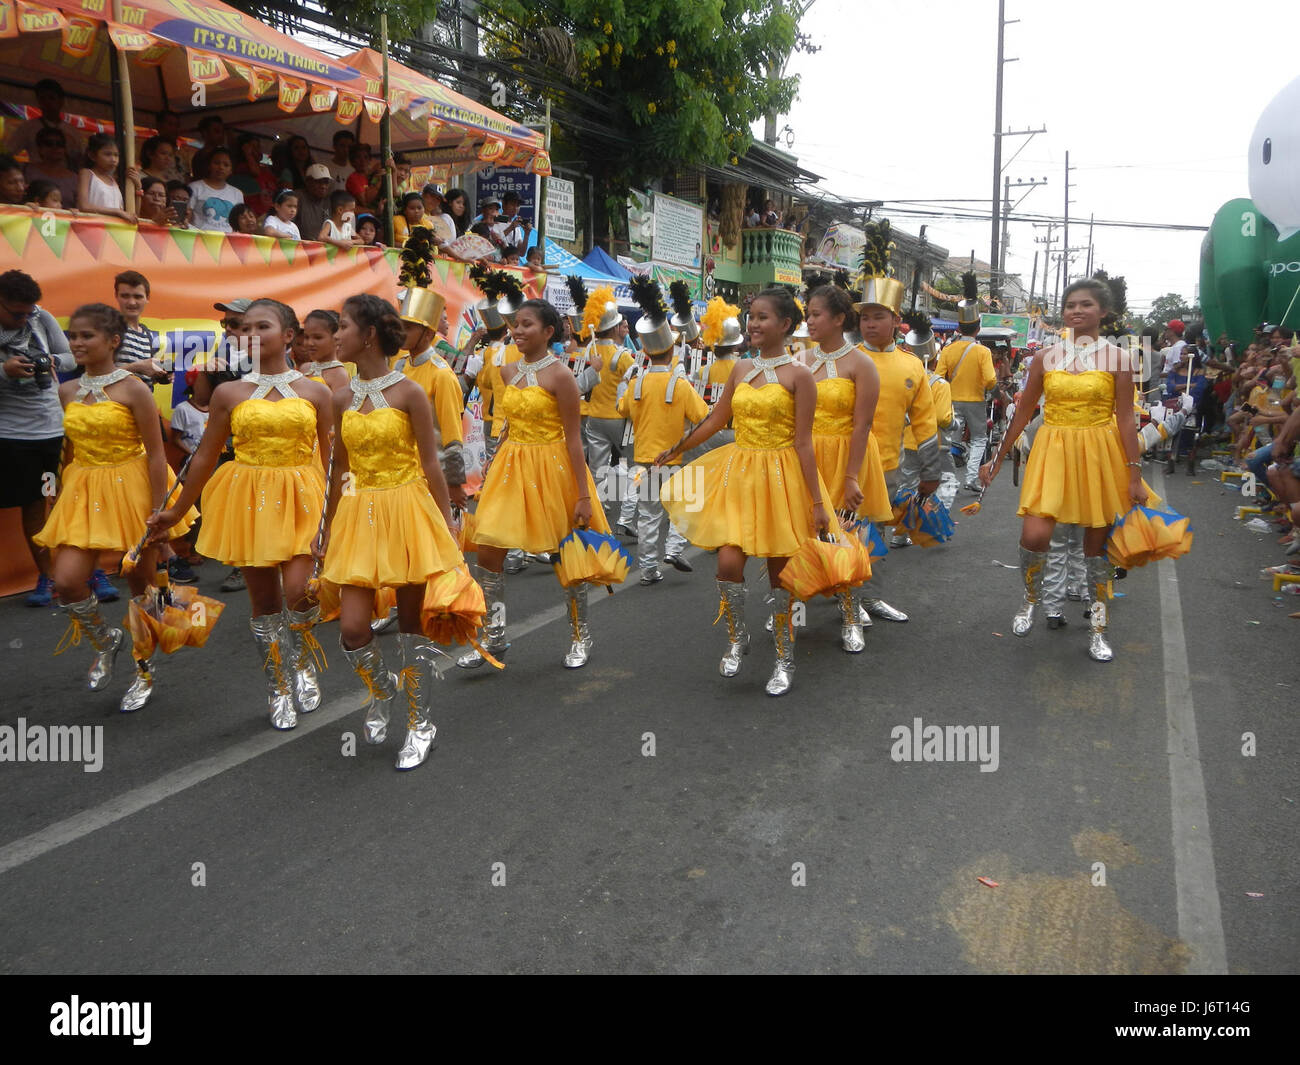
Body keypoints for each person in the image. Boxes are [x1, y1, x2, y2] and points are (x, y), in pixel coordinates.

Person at [148, 300, 333, 728]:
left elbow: (330, 459)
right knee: (264, 601)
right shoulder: (229, 392)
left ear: (289, 335)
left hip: (304, 497)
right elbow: (204, 458)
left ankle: (302, 662)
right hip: (250, 500)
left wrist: (336, 513)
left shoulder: (316, 391)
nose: (250, 333)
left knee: (300, 590)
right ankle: (277, 685)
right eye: (243, 327)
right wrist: (174, 511)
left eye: (262, 325)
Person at [657, 287, 834, 697]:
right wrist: (679, 448)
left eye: (763, 317)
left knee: (780, 575)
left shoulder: (800, 375)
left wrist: (818, 503)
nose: (753, 324)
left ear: (786, 325)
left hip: (781, 478)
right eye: (751, 316)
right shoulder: (739, 369)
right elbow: (719, 418)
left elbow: (805, 442)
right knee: (728, 565)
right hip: (739, 473)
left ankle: (784, 658)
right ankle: (738, 638)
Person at [318, 294, 463, 771]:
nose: (335, 336)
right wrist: (327, 526)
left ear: (369, 334)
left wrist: (445, 527)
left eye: (341, 326)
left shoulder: (410, 392)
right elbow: (340, 466)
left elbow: (431, 463)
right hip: (360, 513)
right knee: (354, 627)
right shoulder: (340, 396)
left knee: (410, 624)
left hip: (408, 509)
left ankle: (421, 722)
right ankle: (382, 688)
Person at [979, 278, 1152, 663]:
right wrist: (995, 457)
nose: (1076, 310)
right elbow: (1024, 412)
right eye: (1071, 304)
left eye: (1086, 304)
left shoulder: (1120, 359)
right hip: (1053, 450)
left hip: (1099, 455)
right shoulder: (1045, 357)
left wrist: (1134, 473)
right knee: (1035, 534)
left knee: (1097, 550)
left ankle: (1099, 627)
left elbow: (1126, 419)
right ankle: (1029, 598)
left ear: (1103, 312)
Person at [34, 304, 195, 712]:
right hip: (84, 488)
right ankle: (106, 641)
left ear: (113, 341)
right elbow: (67, 451)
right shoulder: (66, 390)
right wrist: (56, 492)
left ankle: (144, 670)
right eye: (73, 336)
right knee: (68, 581)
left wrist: (158, 510)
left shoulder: (133, 387)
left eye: (86, 336)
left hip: (133, 487)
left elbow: (157, 455)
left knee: (143, 586)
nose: (77, 343)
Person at [456, 299, 611, 671]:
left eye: (527, 325)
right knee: (490, 551)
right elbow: (509, 424)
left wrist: (583, 495)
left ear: (548, 332)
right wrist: (494, 462)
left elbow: (575, 440)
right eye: (516, 325)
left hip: (553, 468)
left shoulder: (561, 376)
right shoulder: (509, 371)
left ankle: (580, 634)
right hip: (512, 467)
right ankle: (494, 636)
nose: (518, 331)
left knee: (565, 555)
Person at [854, 242, 940, 618]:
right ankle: (846, 601)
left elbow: (925, 422)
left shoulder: (912, 367)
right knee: (845, 532)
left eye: (878, 316)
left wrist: (931, 471)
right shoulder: (843, 359)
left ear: (895, 320)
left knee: (877, 532)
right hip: (842, 463)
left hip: (888, 465)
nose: (870, 323)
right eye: (865, 317)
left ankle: (870, 597)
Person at [804, 283, 891, 652]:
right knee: (800, 535)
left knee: (847, 537)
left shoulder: (860, 363)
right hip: (806, 455)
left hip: (846, 457)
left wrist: (852, 475)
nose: (809, 321)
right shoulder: (801, 361)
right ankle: (793, 612)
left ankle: (851, 615)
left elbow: (862, 424)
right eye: (807, 314)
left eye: (816, 314)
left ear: (839, 319)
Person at [616, 293, 708, 586]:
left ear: (644, 349)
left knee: (648, 516)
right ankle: (673, 549)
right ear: (672, 349)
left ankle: (647, 570)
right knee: (682, 508)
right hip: (674, 459)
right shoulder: (679, 385)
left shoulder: (637, 381)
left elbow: (622, 409)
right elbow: (702, 414)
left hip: (643, 460)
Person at [0, 270, 78, 607]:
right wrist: (4, 370)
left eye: (27, 312)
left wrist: (49, 360)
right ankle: (46, 575)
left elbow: (72, 356)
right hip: (13, 437)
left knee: (57, 498)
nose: (23, 319)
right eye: (16, 313)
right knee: (32, 505)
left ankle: (76, 573)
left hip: (52, 431)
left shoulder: (40, 317)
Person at [396, 287, 469, 509]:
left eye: (408, 328)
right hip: (401, 472)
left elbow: (452, 434)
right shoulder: (400, 366)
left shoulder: (442, 374)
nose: (401, 333)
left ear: (428, 334)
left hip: (429, 476)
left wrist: (454, 483)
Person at [577, 288, 633, 528]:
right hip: (618, 418)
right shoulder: (623, 355)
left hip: (594, 418)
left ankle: (597, 509)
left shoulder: (589, 350)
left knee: (597, 466)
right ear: (614, 327)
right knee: (632, 463)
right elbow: (636, 381)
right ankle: (627, 516)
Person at [936, 278, 997, 490]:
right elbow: (990, 380)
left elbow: (938, 377)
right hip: (976, 402)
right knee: (979, 439)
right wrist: (995, 392)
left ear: (959, 327)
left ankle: (948, 479)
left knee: (952, 441)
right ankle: (971, 478)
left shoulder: (947, 350)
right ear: (977, 327)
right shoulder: (983, 351)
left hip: (951, 401)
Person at [4, 79, 86, 169]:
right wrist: (25, 169)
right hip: (37, 179)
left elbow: (82, 158)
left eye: (52, 98)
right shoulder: (28, 128)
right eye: (42, 98)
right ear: (38, 102)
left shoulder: (72, 131)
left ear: (61, 102)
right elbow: (8, 153)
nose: (47, 102)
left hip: (65, 179)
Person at [112, 270, 169, 384]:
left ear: (147, 298)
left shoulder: (147, 334)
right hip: (114, 401)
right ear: (116, 296)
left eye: (138, 297)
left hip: (143, 400)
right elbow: (96, 377)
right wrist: (136, 367)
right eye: (125, 296)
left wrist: (160, 375)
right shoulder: (107, 329)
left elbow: (145, 380)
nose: (132, 302)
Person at [76, 133, 136, 223]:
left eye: (116, 155)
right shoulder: (87, 174)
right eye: (107, 154)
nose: (113, 159)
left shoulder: (113, 181)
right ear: (92, 156)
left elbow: (131, 214)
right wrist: (117, 212)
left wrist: (138, 187)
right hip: (92, 226)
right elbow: (84, 206)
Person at [187, 147, 243, 233]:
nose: (221, 167)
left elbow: (239, 222)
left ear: (231, 170)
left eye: (226, 165)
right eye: (217, 163)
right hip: (199, 240)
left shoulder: (237, 194)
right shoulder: (194, 188)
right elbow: (186, 216)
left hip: (227, 243)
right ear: (209, 165)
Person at [23, 127, 78, 208]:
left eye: (60, 144)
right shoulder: (28, 170)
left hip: (64, 220)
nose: (55, 147)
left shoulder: (75, 178)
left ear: (65, 149)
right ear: (39, 148)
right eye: (49, 143)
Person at [298, 309, 349, 392]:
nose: (310, 343)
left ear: (336, 338)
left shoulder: (339, 375)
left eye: (318, 337)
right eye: (306, 337)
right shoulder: (304, 368)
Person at [230, 133, 276, 218]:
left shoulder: (266, 171)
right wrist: (248, 154)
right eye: (253, 147)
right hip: (252, 217)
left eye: (258, 147)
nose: (257, 150)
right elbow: (255, 172)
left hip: (269, 217)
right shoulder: (242, 168)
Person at [294, 164, 333, 245]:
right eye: (318, 182)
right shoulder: (297, 197)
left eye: (326, 182)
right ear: (308, 181)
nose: (323, 186)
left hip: (324, 251)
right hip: (300, 249)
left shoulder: (328, 201)